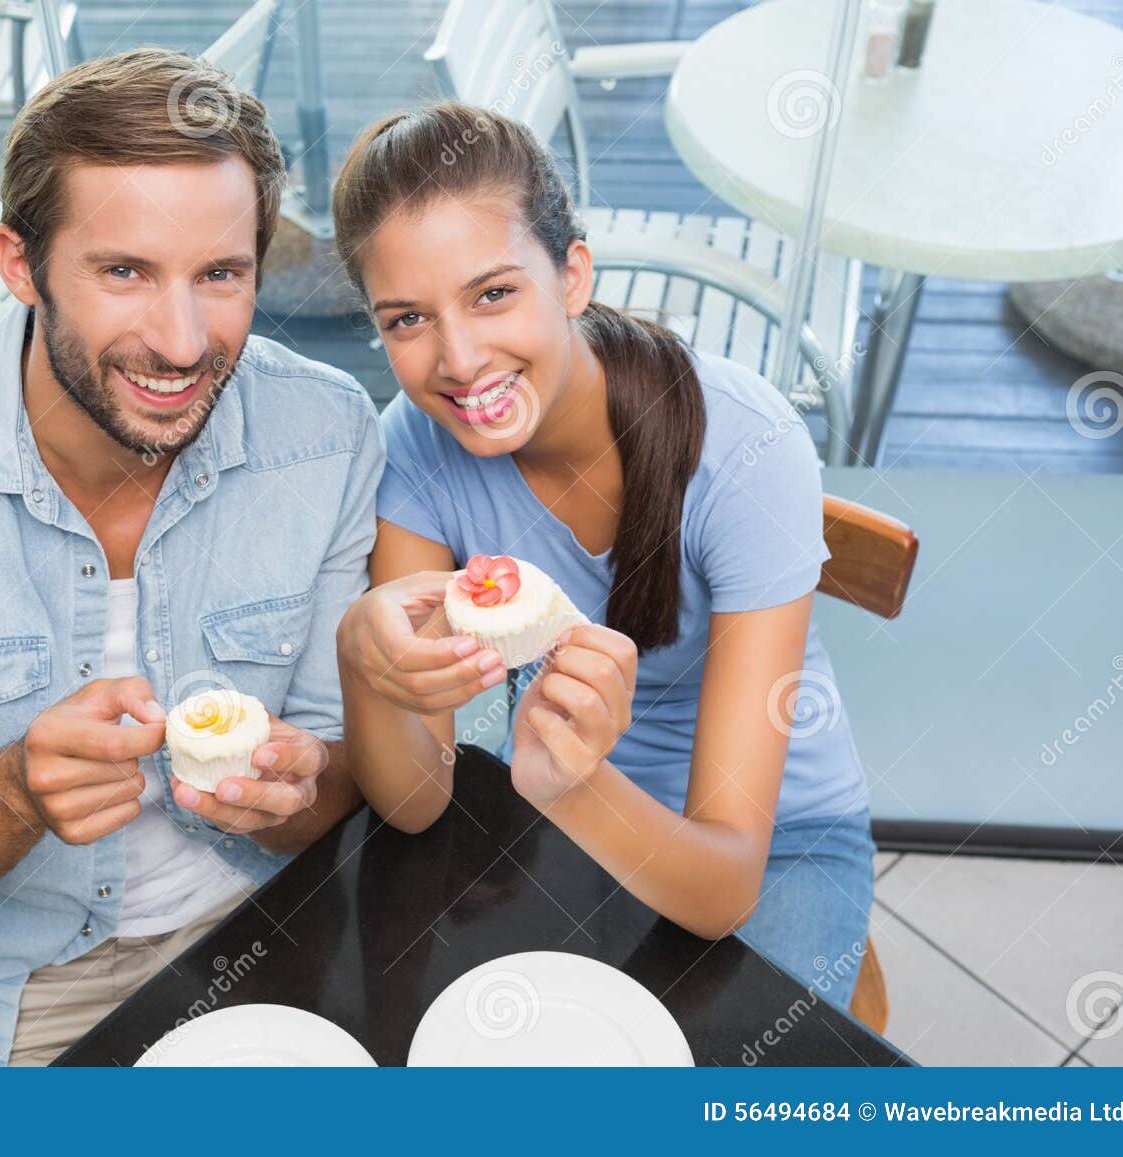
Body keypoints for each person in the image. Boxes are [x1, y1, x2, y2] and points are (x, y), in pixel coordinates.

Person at [0, 49, 379, 1066]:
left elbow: (338, 778)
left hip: (264, 932)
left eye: (220, 274)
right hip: (0, 994)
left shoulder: (328, 433)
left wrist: (297, 791)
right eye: (125, 271)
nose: (181, 342)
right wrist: (13, 795)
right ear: (20, 264)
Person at [331, 103, 874, 1006]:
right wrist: (363, 658)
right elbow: (417, 802)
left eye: (493, 294)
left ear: (572, 275)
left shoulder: (750, 447)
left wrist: (571, 786)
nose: (459, 359)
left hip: (774, 843)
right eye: (407, 319)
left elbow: (724, 889)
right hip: (554, 812)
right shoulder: (414, 449)